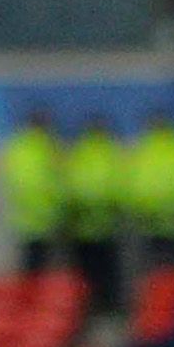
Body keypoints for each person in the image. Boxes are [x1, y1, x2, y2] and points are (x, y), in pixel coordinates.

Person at [124, 112, 174, 277]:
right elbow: (134, 183)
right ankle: (158, 300)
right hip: (154, 220)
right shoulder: (149, 148)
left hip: (173, 220)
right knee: (155, 268)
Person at [64, 118, 128, 314]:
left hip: (89, 227)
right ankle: (101, 306)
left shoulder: (79, 154)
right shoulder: (110, 153)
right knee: (100, 273)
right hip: (98, 226)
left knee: (95, 273)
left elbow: (69, 186)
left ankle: (100, 307)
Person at [0, 112, 65, 275]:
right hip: (41, 218)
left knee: (34, 267)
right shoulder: (48, 147)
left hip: (29, 218)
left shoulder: (19, 147)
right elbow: (53, 183)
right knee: (38, 267)